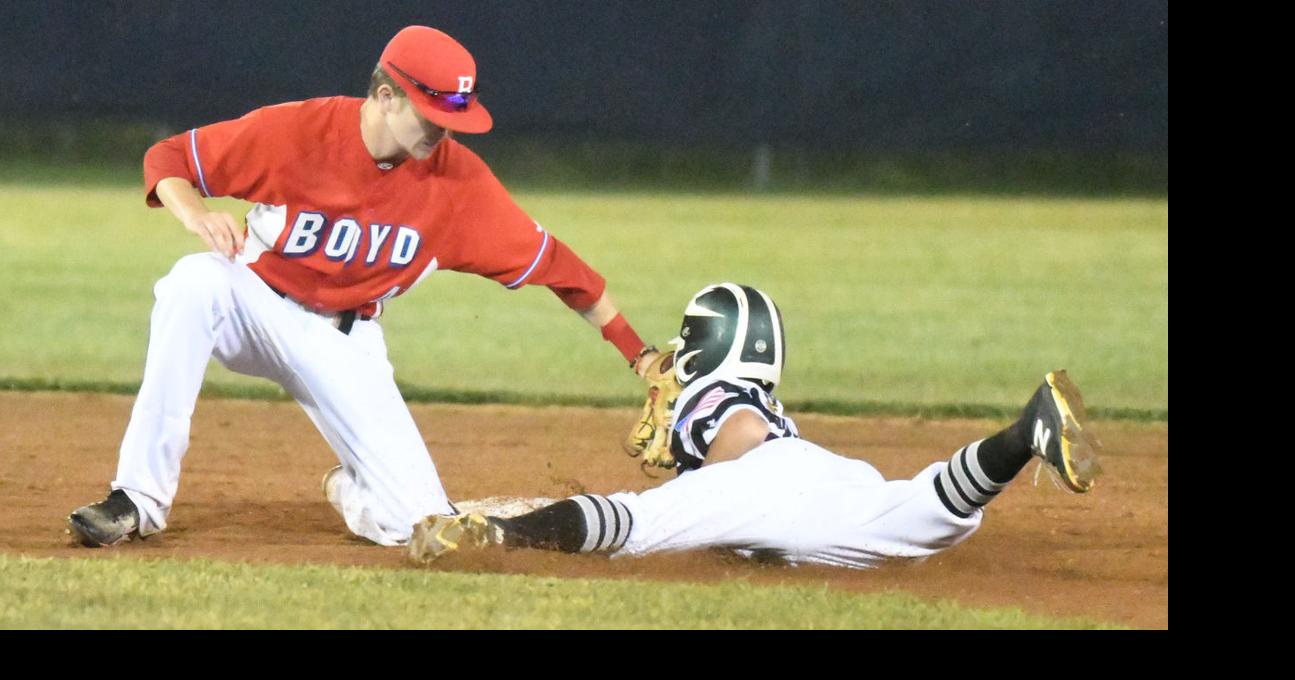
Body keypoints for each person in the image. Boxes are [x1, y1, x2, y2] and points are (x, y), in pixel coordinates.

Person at [66, 26, 660, 548]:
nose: (444, 133)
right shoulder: (296, 131)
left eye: (454, 120)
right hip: (251, 304)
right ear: (385, 96)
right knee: (191, 284)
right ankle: (137, 500)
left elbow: (558, 267)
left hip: (345, 341)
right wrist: (196, 215)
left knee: (420, 525)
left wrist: (638, 352)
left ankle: (353, 491)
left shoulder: (457, 182)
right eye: (433, 117)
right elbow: (168, 158)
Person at [409, 283, 1102, 568]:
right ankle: (1021, 436)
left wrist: (695, 487)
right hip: (823, 469)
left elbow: (727, 441)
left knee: (635, 523)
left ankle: (499, 533)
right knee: (924, 512)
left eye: (686, 349)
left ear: (708, 347)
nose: (671, 370)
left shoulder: (714, 395)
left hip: (757, 480)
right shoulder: (752, 392)